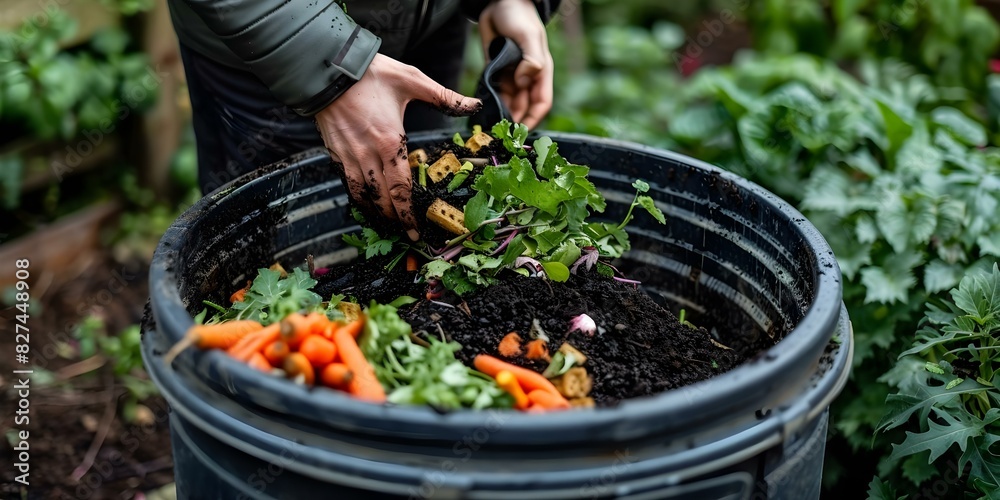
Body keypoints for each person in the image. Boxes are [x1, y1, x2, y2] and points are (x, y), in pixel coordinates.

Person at [168, 0, 560, 241]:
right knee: (269, 258)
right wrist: (330, 69)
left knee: (412, 216)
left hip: (430, 28)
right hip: (267, 51)